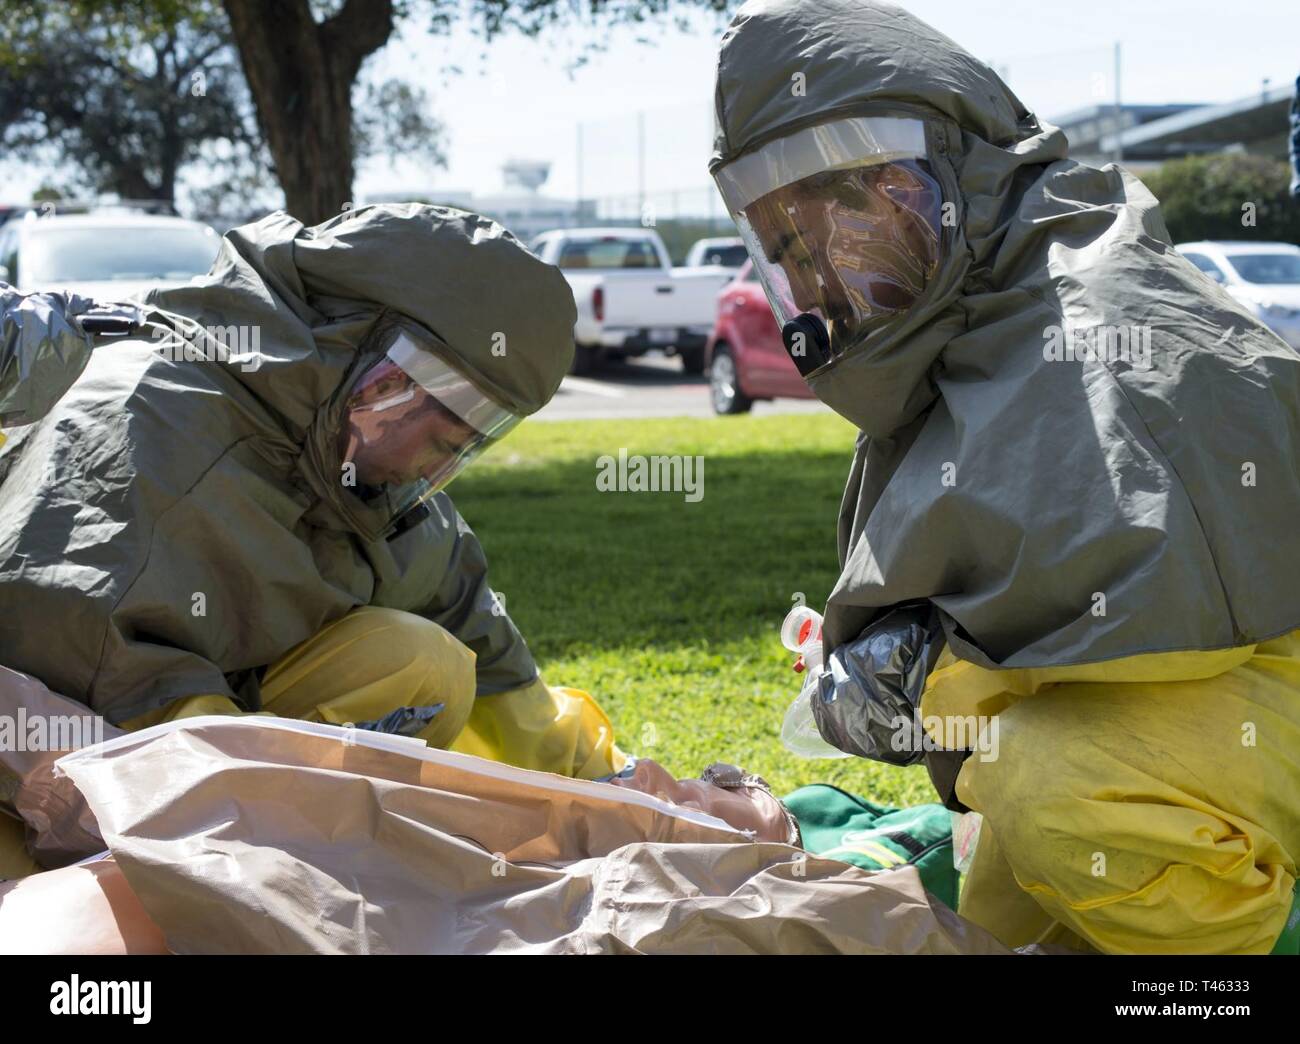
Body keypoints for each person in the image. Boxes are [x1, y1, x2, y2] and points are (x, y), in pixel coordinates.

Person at [710, 0, 1300, 954]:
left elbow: (1173, 615)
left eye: (841, 206)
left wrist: (922, 675)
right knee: (1001, 903)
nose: (818, 268)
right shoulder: (976, 308)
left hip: (1255, 692)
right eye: (784, 243)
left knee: (1052, 794)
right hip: (1190, 712)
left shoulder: (1088, 310)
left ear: (930, 176)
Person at [0, 204, 626, 876]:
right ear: (385, 387)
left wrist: (620, 791)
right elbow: (114, 685)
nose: (437, 471)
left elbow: (478, 638)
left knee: (422, 661)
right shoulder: (152, 424)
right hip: (47, 770)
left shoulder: (354, 468)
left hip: (179, 750)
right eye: (446, 441)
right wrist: (256, 843)